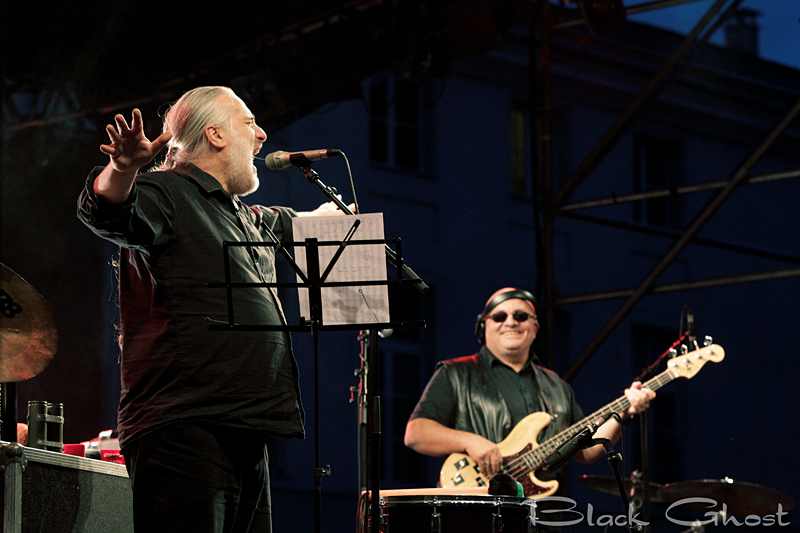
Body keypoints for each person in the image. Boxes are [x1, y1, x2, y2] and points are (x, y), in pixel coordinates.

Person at [77, 86, 345, 533]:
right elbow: (107, 210)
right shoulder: (167, 192)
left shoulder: (241, 215)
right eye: (249, 123)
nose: (261, 135)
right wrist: (121, 169)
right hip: (186, 425)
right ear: (216, 134)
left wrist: (330, 219)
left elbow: (294, 224)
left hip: (245, 425)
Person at [404, 287, 655, 493]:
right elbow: (415, 433)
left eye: (521, 317)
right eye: (500, 317)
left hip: (543, 518)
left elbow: (587, 451)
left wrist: (624, 411)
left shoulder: (557, 386)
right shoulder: (455, 373)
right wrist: (470, 441)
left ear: (534, 328)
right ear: (483, 328)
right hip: (476, 510)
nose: (510, 322)